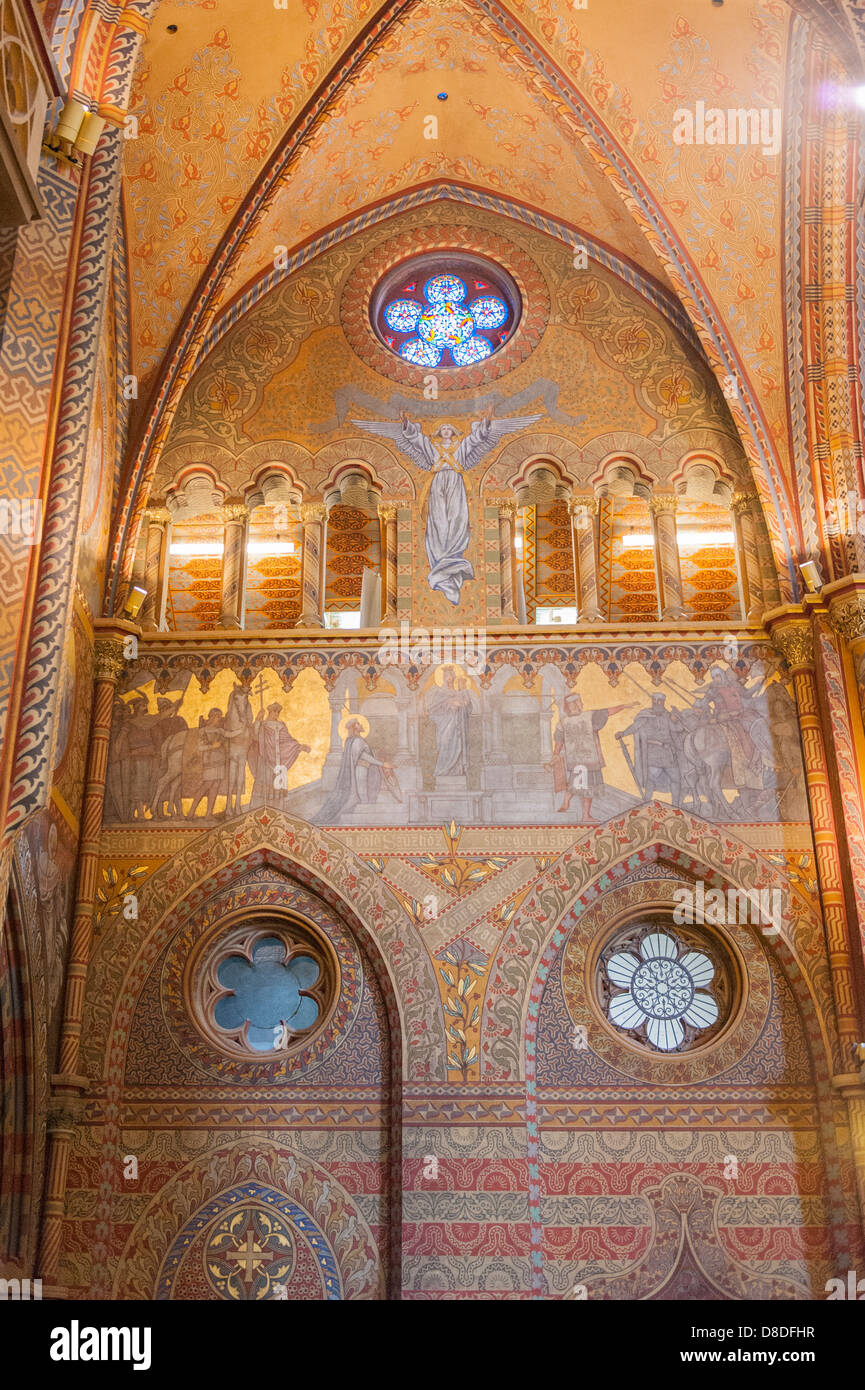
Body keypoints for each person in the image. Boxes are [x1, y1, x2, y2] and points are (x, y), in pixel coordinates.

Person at [548, 691, 635, 819]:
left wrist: (556, 754)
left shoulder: (563, 721)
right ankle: (585, 816)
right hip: (590, 759)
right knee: (589, 787)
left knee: (575, 782)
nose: (582, 704)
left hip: (575, 760)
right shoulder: (589, 716)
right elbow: (607, 712)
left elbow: (558, 741)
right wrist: (623, 706)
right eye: (579, 702)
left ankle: (566, 802)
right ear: (575, 704)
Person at [316, 718, 399, 821]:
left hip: (363, 769)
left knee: (363, 795)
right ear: (355, 727)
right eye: (359, 724)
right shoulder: (357, 741)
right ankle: (364, 818)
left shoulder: (355, 740)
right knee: (362, 795)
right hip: (361, 770)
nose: (361, 725)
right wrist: (382, 764)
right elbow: (363, 756)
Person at [249, 701, 310, 809]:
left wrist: (299, 747)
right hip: (265, 760)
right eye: (275, 712)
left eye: (278, 712)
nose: (277, 714)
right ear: (269, 712)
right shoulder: (263, 725)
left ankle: (277, 809)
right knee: (264, 783)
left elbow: (287, 740)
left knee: (277, 785)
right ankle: (259, 809)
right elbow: (254, 737)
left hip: (278, 762)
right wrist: (257, 720)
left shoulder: (281, 725)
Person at [425, 665, 475, 778]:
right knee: (445, 744)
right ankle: (443, 770)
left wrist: (463, 698)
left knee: (458, 746)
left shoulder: (459, 692)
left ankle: (456, 771)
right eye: (446, 676)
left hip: (457, 725)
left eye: (451, 676)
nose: (449, 678)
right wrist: (449, 703)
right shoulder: (440, 693)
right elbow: (433, 710)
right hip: (445, 725)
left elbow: (468, 708)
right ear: (443, 678)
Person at [187, 708, 227, 818]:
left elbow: (231, 735)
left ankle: (209, 813)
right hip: (209, 761)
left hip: (220, 760)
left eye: (220, 717)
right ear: (212, 717)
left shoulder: (221, 731)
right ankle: (191, 812)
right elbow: (200, 747)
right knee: (207, 785)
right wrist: (212, 746)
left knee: (215, 786)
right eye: (218, 717)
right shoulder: (203, 731)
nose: (220, 719)